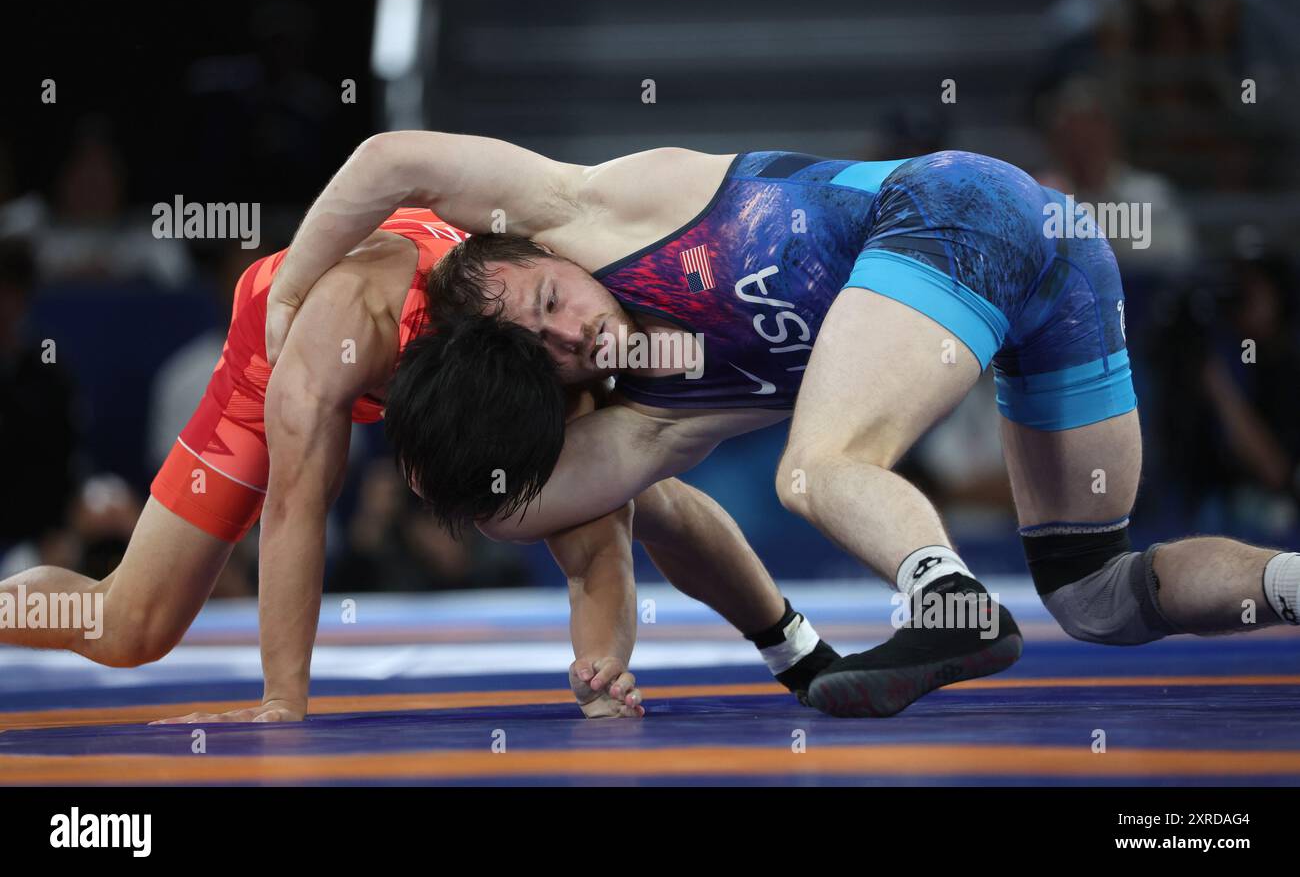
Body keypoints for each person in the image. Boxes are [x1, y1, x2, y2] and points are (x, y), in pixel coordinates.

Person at [267, 131, 1300, 718]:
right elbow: (540, 511)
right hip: (1051, 274)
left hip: (959, 209)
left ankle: (949, 606)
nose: (579, 329)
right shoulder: (647, 419)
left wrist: (291, 292)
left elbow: (387, 157)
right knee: (1094, 592)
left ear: (536, 248)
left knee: (818, 465)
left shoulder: (592, 208)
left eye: (551, 302)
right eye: (555, 353)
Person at [0, 205, 838, 722]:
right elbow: (297, 508)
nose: (570, 334)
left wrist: (600, 684)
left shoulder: (552, 304)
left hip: (459, 355)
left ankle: (788, 641)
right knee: (130, 629)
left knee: (638, 491)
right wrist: (283, 703)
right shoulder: (335, 337)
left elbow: (597, 541)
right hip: (280, 352)